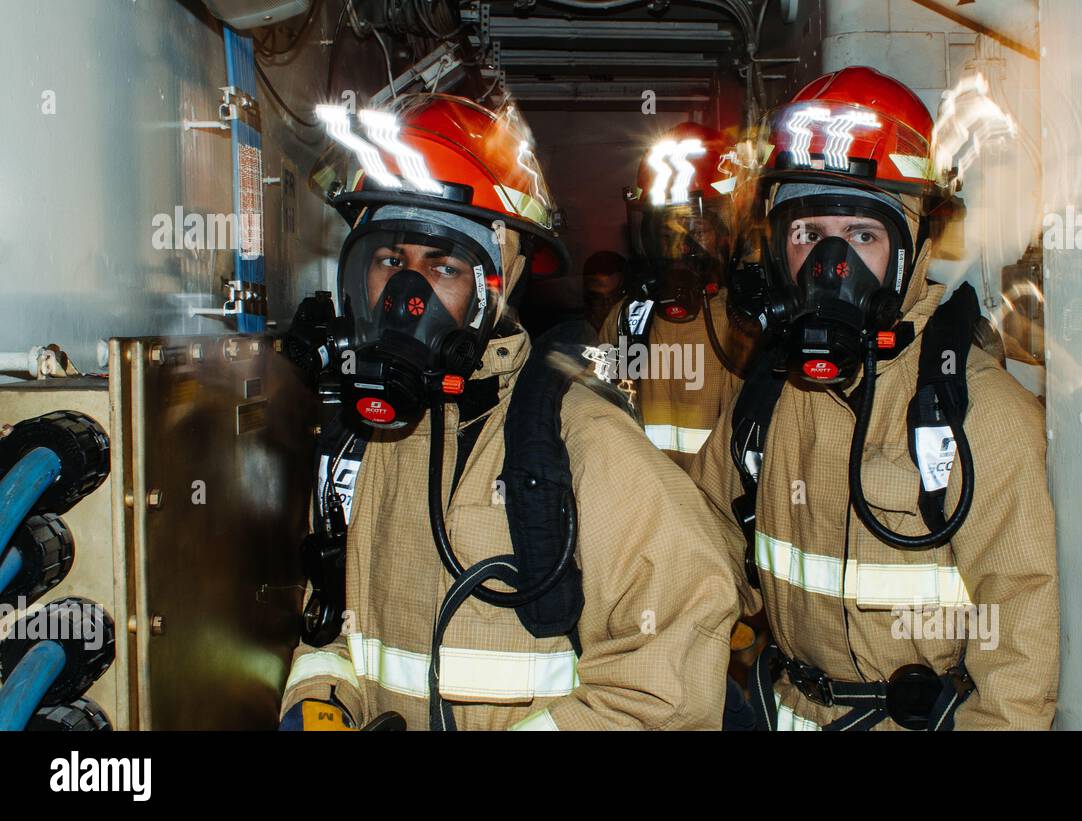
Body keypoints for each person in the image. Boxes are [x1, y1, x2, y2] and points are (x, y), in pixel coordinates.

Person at [280, 94, 740, 730]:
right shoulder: (356, 445)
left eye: (442, 267)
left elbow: (668, 678)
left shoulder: (579, 438)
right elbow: (330, 626)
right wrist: (318, 707)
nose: (406, 299)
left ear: (496, 284)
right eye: (390, 261)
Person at [689, 67, 1059, 730]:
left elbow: (1019, 661)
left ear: (912, 248)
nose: (831, 267)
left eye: (862, 235)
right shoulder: (767, 399)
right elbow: (702, 542)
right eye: (807, 235)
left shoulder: (981, 414)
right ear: (778, 250)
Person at [599, 122, 756, 470]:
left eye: (697, 229)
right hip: (649, 510)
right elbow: (599, 414)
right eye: (668, 231)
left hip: (720, 514)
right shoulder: (628, 321)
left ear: (728, 231)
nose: (683, 248)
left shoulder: (743, 323)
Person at [581, 250, 627, 331]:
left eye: (615, 297)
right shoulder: (576, 336)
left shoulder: (650, 334)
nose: (606, 306)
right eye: (597, 298)